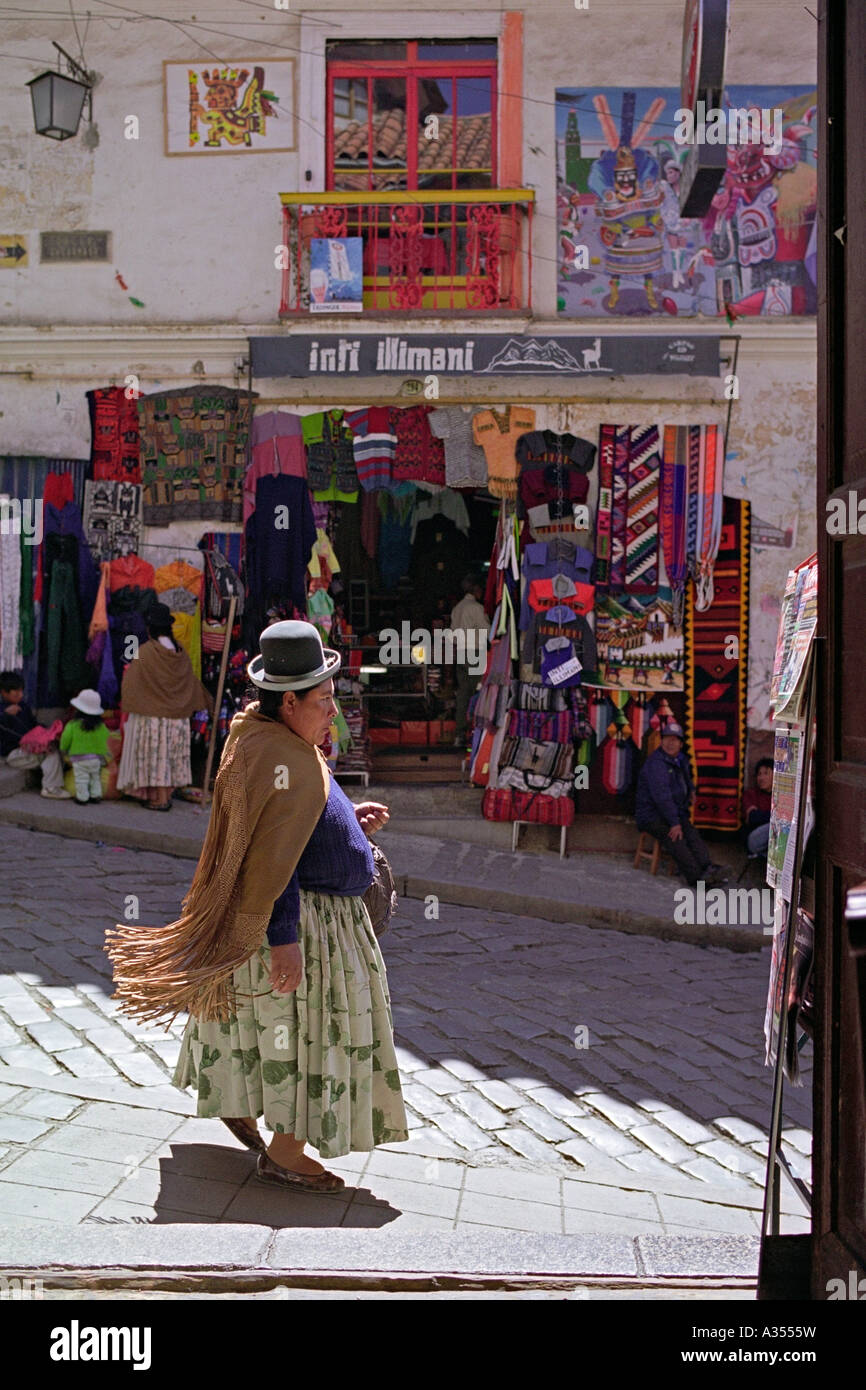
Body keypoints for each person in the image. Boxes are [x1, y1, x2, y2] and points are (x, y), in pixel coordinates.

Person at [107, 620, 408, 1194]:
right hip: (305, 926)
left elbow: (293, 820)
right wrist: (286, 938)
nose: (334, 713)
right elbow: (276, 860)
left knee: (261, 1023)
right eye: (323, 702)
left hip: (299, 916)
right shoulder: (283, 757)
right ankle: (287, 1154)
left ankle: (239, 1102)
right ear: (289, 701)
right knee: (310, 1033)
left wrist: (344, 819)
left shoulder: (266, 736)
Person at [116, 603, 212, 811]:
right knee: (172, 758)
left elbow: (131, 679)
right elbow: (190, 682)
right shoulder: (180, 653)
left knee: (158, 758)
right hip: (178, 718)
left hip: (154, 717)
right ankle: (165, 795)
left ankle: (160, 800)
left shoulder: (146, 651)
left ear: (150, 628)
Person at [635, 721, 727, 887]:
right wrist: (674, 823)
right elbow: (662, 798)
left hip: (672, 813)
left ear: (681, 743)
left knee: (691, 832)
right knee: (676, 837)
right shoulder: (656, 764)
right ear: (661, 741)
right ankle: (697, 879)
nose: (671, 743)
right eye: (667, 739)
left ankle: (708, 868)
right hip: (652, 815)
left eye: (675, 740)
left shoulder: (679, 759)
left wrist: (691, 789)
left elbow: (686, 776)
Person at [0, 669, 70, 799]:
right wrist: (4, 715)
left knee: (55, 748)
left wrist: (48, 732)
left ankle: (53, 783)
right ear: (4, 692)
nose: (20, 695)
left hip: (29, 747)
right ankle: (50, 787)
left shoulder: (23, 707)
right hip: (13, 754)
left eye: (21, 691)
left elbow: (34, 725)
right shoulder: (2, 710)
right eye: (16, 692)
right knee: (49, 754)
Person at [450, 574, 489, 747]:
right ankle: (477, 733)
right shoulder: (476, 608)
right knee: (480, 693)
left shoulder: (457, 608)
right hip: (474, 653)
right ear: (475, 589)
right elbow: (489, 630)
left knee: (463, 694)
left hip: (460, 653)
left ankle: (459, 734)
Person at [60, 689, 111, 805]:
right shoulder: (101, 726)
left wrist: (63, 749)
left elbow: (65, 740)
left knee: (81, 779)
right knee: (95, 777)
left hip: (79, 758)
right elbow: (106, 738)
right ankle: (96, 795)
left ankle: (82, 798)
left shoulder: (72, 725)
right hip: (96, 758)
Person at [743, 756, 773, 856]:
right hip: (756, 839)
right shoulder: (751, 794)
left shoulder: (781, 796)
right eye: (759, 774)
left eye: (766, 773)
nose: (761, 778)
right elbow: (753, 817)